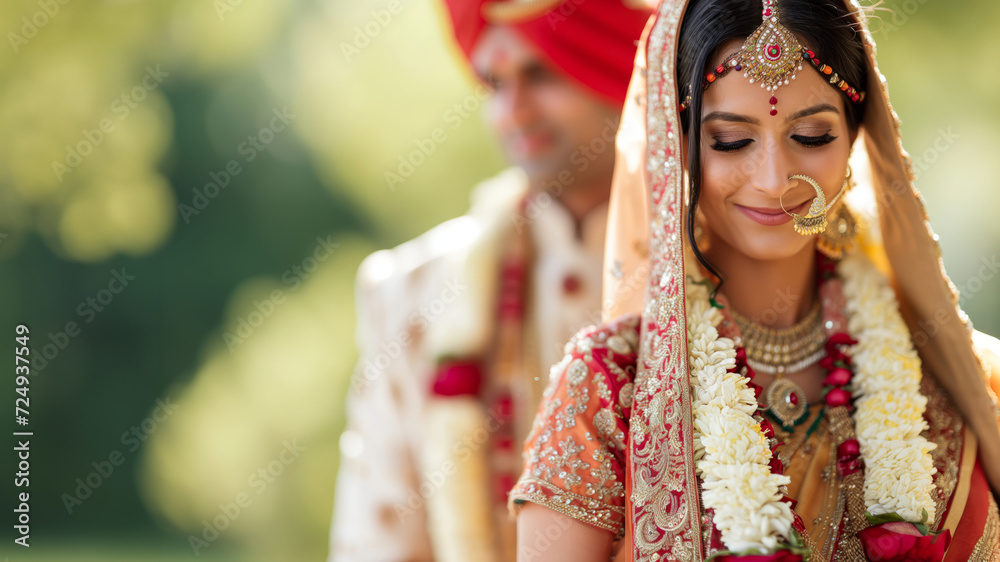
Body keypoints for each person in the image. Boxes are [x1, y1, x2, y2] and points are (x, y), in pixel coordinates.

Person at [508, 0, 1000, 560]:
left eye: (812, 136)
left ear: (859, 137)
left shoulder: (950, 375)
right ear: (679, 147)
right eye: (731, 141)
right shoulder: (608, 390)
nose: (773, 180)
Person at [328, 1, 651, 561]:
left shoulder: (719, 271)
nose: (512, 112)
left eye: (540, 74)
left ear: (620, 68)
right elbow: (377, 544)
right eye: (494, 82)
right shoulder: (411, 293)